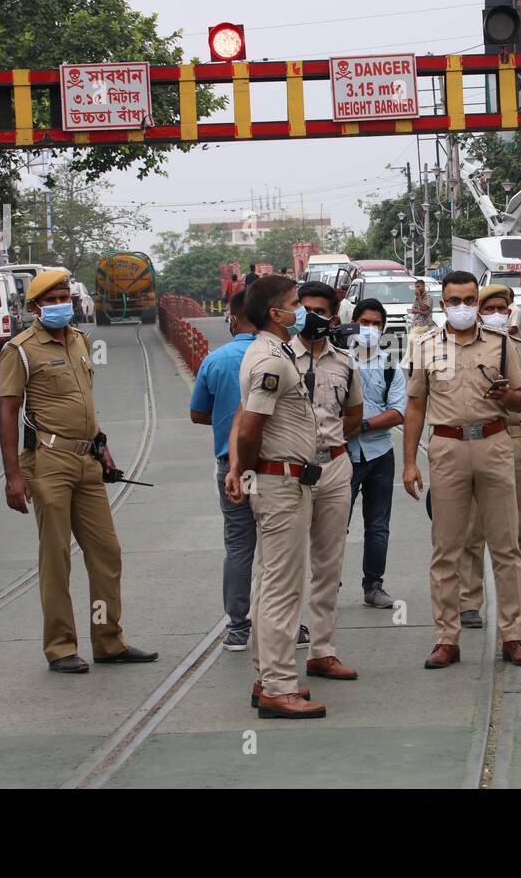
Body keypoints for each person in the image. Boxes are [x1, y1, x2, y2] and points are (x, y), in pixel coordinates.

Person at [0, 270, 157, 673]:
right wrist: (13, 476)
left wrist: (102, 448)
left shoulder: (80, 340)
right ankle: (60, 646)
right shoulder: (19, 349)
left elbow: (84, 404)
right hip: (48, 463)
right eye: (52, 299)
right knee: (56, 557)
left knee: (107, 552)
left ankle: (108, 640)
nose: (61, 304)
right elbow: (8, 413)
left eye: (65, 297)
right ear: (35, 307)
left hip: (88, 461)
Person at [403, 270, 521, 670]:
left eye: (469, 300)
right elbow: (414, 407)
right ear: (442, 304)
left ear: (477, 303)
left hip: (495, 444)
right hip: (446, 447)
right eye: (454, 301)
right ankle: (447, 639)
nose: (462, 307)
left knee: (506, 546)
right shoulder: (425, 346)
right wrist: (410, 462)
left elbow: (519, 400)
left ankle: (513, 637)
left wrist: (506, 393)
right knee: (447, 548)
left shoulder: (501, 345)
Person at [224, 275, 327, 718]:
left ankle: (269, 675)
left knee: (271, 585)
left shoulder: (273, 353)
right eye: (293, 304)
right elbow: (249, 427)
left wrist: (240, 472)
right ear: (275, 313)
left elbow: (247, 416)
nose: (300, 310)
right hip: (281, 483)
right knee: (283, 590)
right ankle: (278, 687)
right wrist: (243, 471)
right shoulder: (270, 359)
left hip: (281, 480)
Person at [459, 285, 521, 627]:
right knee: (472, 528)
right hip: (475, 440)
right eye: (488, 308)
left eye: (502, 307)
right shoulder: (459, 349)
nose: (496, 314)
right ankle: (468, 601)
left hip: (515, 439)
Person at [283, 281, 362, 680]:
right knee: (284, 567)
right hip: (288, 473)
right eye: (302, 307)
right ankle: (275, 661)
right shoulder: (278, 358)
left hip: (333, 468)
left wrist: (330, 450)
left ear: (333, 317)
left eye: (318, 309)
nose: (308, 315)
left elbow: (353, 415)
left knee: (329, 565)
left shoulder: (345, 363)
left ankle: (322, 650)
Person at [190, 288, 258, 651]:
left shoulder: (216, 359)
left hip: (231, 468)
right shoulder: (284, 355)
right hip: (278, 468)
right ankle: (288, 625)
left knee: (238, 547)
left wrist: (226, 422)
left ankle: (238, 628)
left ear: (232, 317)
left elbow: (198, 412)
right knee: (282, 549)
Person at [348, 297, 407, 609]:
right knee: (334, 525)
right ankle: (328, 585)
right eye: (364, 322)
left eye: (375, 324)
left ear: (383, 329)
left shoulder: (390, 365)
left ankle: (374, 585)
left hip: (380, 454)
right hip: (342, 455)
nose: (369, 328)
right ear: (354, 322)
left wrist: (362, 425)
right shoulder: (339, 360)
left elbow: (398, 412)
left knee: (378, 525)